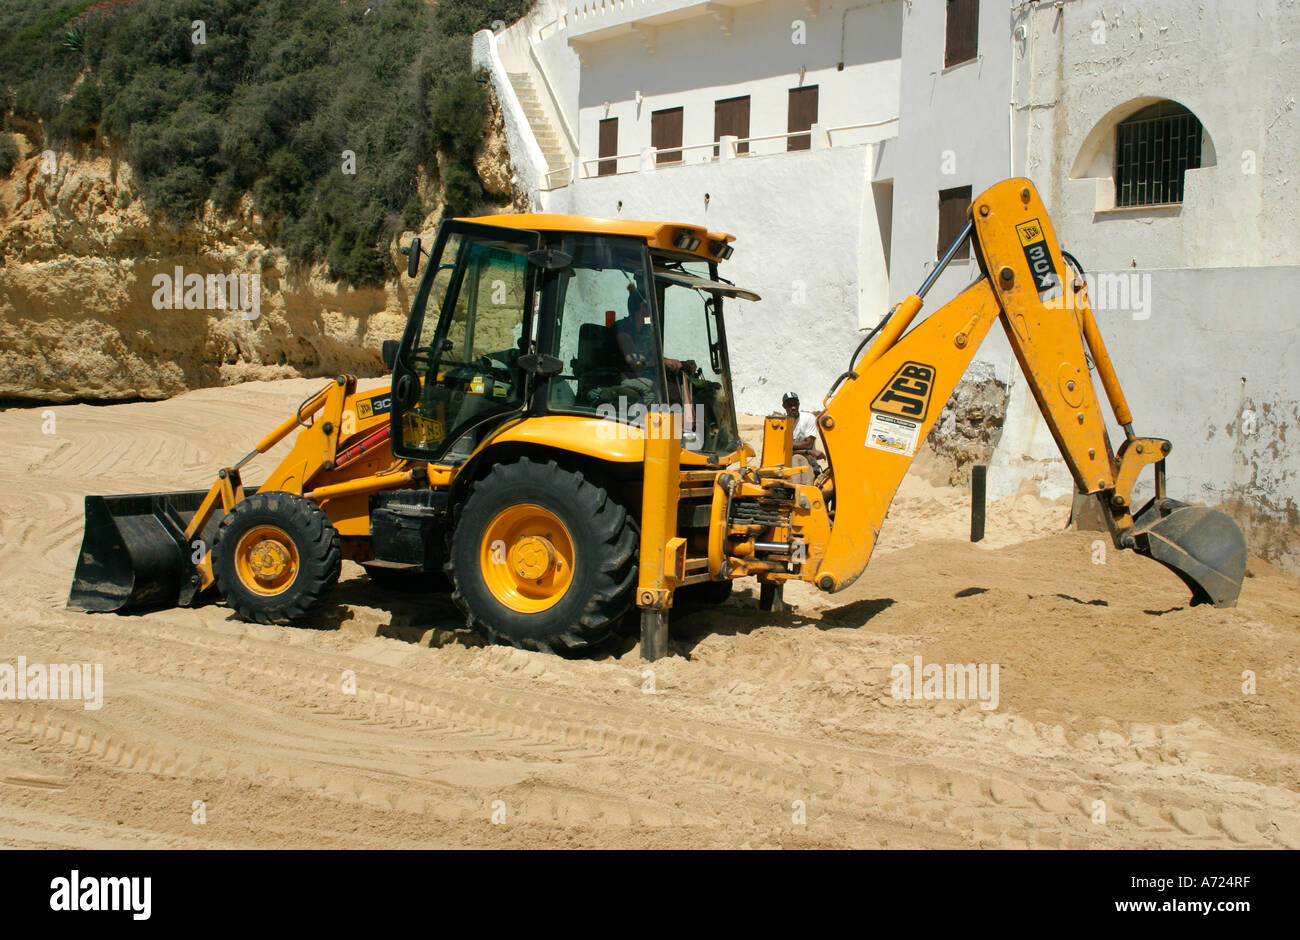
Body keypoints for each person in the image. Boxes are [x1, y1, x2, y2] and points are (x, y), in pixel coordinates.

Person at [782, 391, 824, 479]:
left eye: (795, 404)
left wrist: (787, 445)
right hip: (786, 465)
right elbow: (783, 451)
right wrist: (809, 452)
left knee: (797, 458)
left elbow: (808, 444)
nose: (793, 407)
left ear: (799, 404)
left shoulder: (808, 418)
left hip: (808, 462)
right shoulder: (782, 424)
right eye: (789, 405)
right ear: (784, 407)